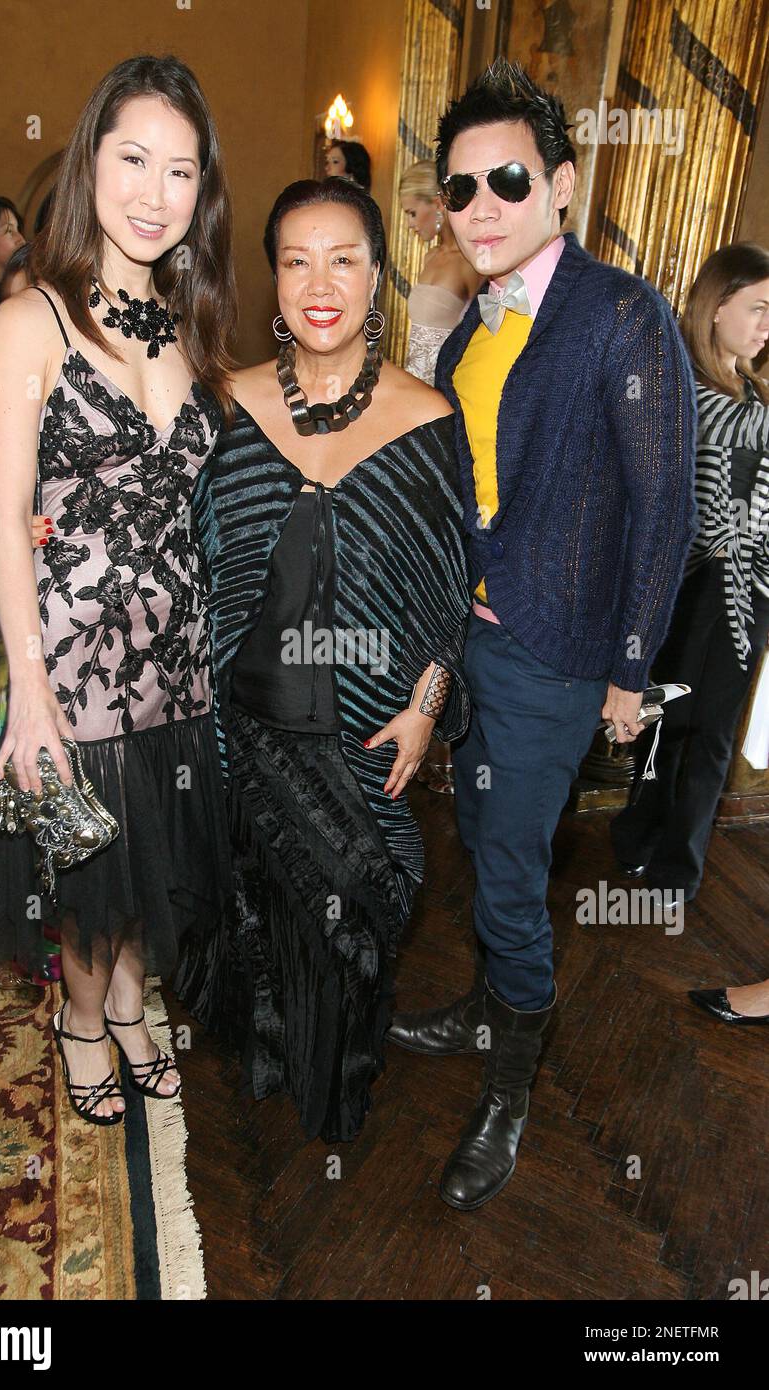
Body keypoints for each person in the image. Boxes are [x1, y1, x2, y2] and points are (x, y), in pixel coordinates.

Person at [387, 59, 697, 1211]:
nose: (477, 209)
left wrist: (630, 669)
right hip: (467, 643)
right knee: (477, 831)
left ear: (560, 185)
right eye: (458, 190)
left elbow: (666, 505)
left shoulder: (620, 315)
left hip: (557, 652)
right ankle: (484, 1003)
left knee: (510, 863)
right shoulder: (472, 329)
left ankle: (509, 1088)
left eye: (505, 181)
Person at [174, 177, 470, 1143]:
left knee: (358, 925)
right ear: (274, 277)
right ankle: (266, 1063)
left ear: (377, 273)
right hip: (249, 720)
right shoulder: (227, 404)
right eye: (296, 260)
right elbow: (182, 562)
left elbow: (446, 594)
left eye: (343, 258)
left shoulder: (427, 418)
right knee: (257, 915)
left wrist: (428, 704)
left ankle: (337, 1085)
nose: (320, 281)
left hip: (364, 729)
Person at [0, 54, 237, 1125]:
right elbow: (3, 515)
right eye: (133, 158)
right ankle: (82, 1021)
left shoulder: (191, 324)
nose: (153, 191)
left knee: (152, 867)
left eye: (179, 171)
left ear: (200, 195)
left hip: (177, 660)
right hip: (72, 662)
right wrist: (25, 690)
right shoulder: (29, 321)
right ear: (90, 164)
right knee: (88, 873)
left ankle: (130, 1001)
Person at [611, 244, 769, 914]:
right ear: (715, 307)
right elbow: (661, 503)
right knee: (666, 720)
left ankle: (678, 866)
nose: (768, 325)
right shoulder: (682, 395)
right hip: (686, 585)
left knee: (709, 731)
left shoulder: (755, 394)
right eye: (758, 308)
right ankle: (640, 836)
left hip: (746, 590)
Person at [400, 159, 481, 794]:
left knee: (441, 575)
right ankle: (414, 722)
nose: (414, 223)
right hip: (410, 423)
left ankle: (445, 740)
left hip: (446, 431)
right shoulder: (440, 260)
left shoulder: (470, 268)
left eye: (415, 210)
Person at [400, 159, 480, 387]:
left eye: (412, 213)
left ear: (437, 204)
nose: (409, 223)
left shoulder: (471, 260)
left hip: (447, 390)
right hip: (414, 390)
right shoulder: (430, 257)